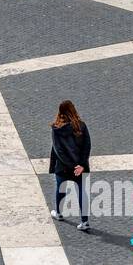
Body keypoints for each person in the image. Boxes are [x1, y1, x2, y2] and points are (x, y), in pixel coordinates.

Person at [49, 99, 91, 230]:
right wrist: (81, 165)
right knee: (82, 192)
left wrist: (71, 165)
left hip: (62, 167)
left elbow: (58, 151)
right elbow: (87, 146)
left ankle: (59, 213)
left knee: (60, 188)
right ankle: (84, 221)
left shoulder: (57, 129)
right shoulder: (81, 126)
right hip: (80, 166)